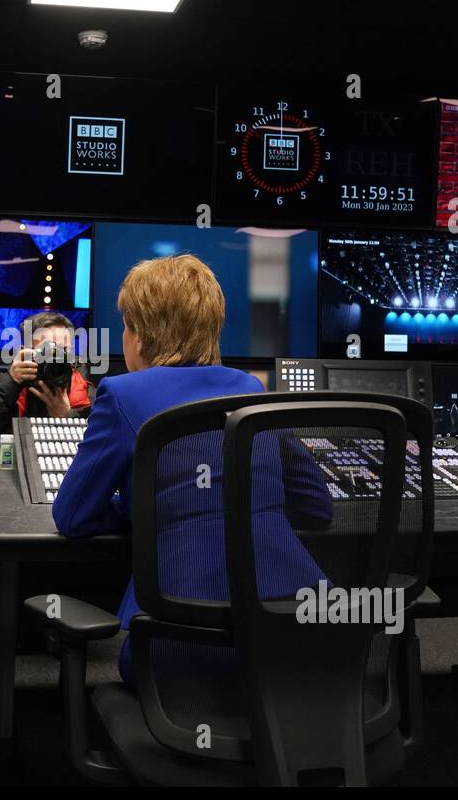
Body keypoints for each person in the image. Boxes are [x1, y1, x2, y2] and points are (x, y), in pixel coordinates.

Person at [52, 254, 333, 688]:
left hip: (176, 643)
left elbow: (72, 517)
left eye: (126, 326)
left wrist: (143, 511)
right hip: (291, 632)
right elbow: (316, 507)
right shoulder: (250, 389)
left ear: (140, 337)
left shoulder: (121, 393)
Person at [0, 311, 95, 462]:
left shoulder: (87, 394)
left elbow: (102, 453)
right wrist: (9, 382)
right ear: (26, 352)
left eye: (64, 351)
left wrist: (67, 417)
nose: (56, 357)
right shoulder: (11, 388)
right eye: (48, 350)